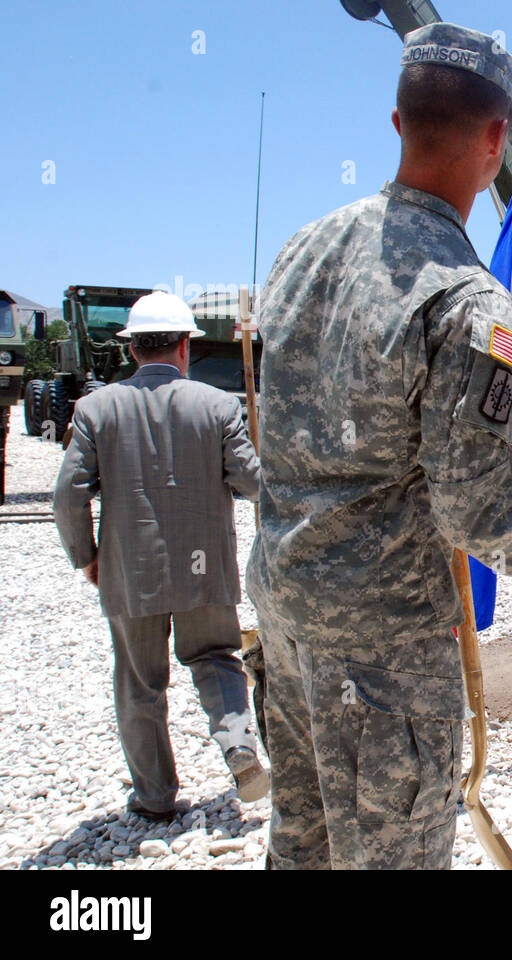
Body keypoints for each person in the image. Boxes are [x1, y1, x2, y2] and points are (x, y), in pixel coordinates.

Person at [245, 23, 512, 870]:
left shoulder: (304, 247)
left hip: (285, 602)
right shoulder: (468, 301)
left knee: (301, 844)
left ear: (397, 123)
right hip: (383, 651)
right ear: (497, 141)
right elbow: (479, 514)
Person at [52, 291, 266, 822]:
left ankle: (154, 798)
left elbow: (68, 495)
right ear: (185, 348)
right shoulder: (218, 406)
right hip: (204, 564)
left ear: (131, 351)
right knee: (217, 658)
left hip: (130, 571)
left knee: (140, 681)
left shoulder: (95, 409)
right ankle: (238, 745)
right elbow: (253, 483)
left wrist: (87, 556)